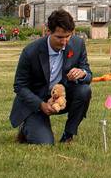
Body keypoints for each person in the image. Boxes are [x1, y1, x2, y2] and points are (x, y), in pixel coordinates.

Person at [9, 9, 93, 145]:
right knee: (45, 143)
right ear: (48, 31)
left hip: (61, 99)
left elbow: (88, 75)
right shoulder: (30, 51)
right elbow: (19, 86)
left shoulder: (78, 44)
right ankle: (26, 127)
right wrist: (41, 105)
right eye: (59, 37)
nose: (65, 41)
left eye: (68, 36)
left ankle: (68, 135)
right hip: (36, 102)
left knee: (84, 91)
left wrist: (82, 74)